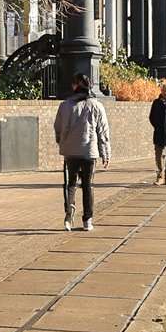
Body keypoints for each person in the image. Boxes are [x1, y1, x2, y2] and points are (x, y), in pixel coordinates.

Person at [54, 73, 111, 230]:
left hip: (70, 151)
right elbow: (103, 132)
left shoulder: (65, 105)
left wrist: (61, 141)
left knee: (70, 184)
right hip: (89, 151)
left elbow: (57, 127)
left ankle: (69, 214)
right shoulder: (97, 105)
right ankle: (87, 219)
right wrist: (105, 153)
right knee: (87, 185)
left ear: (75, 86)